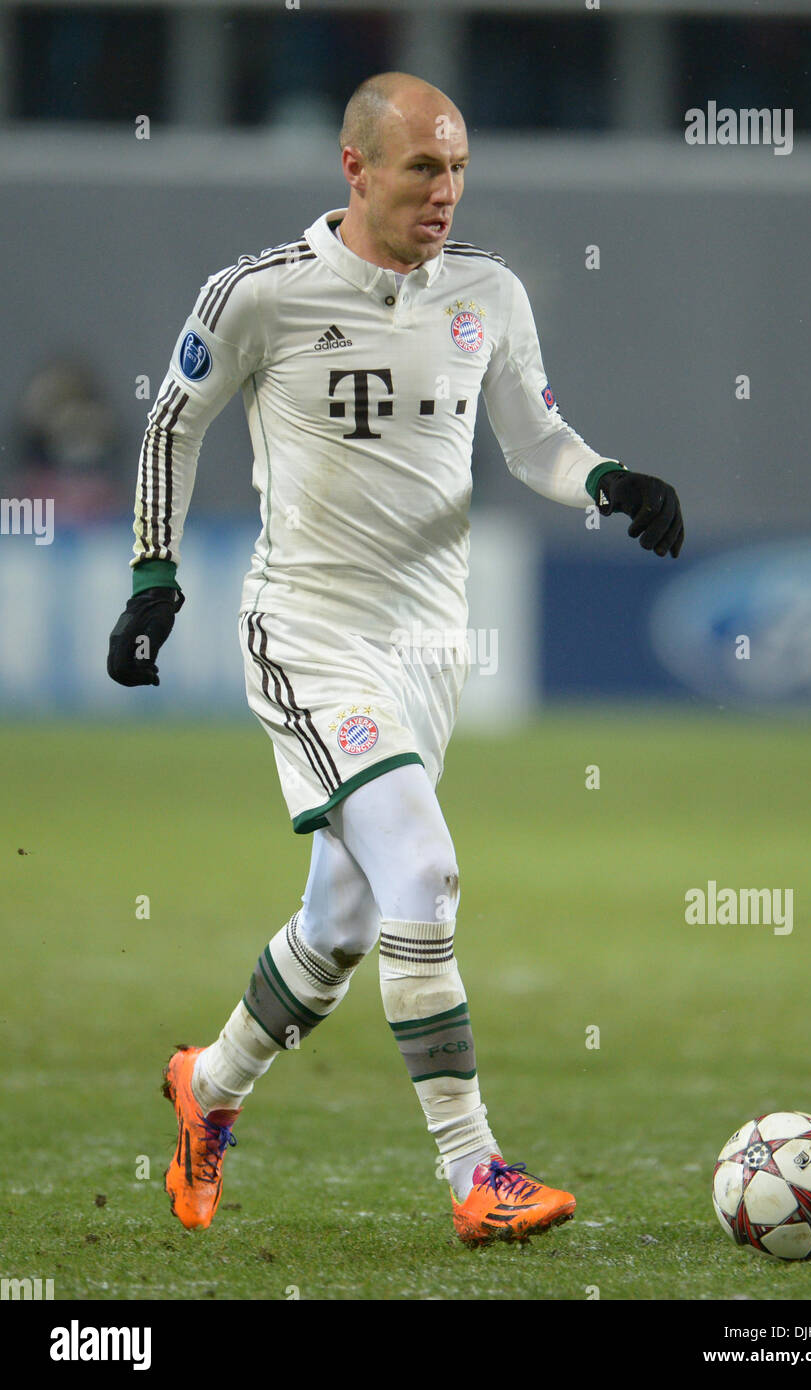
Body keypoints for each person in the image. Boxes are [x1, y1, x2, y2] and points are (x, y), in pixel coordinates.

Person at [107, 71, 683, 1247]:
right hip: (309, 631)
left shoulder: (488, 293)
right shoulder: (258, 295)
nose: (447, 191)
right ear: (355, 167)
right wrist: (154, 579)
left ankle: (208, 1085)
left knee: (344, 922)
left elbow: (536, 440)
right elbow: (173, 419)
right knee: (423, 869)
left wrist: (608, 480)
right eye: (424, 168)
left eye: (460, 168)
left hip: (429, 648)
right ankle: (476, 1172)